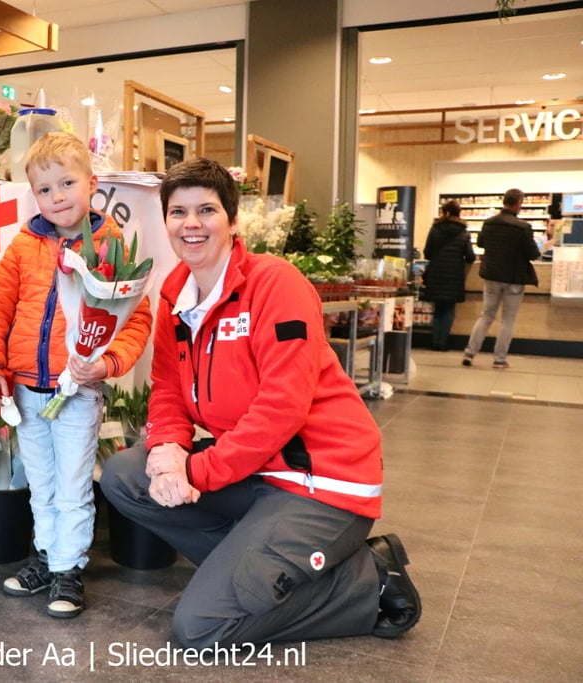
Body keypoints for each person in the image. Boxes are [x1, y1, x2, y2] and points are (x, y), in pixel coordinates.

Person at [100, 158, 421, 646]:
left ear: (232, 221)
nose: (191, 224)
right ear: (164, 221)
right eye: (178, 212)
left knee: (203, 626)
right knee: (127, 477)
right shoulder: (173, 294)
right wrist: (167, 452)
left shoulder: (275, 284)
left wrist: (194, 473)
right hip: (254, 472)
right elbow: (167, 387)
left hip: (321, 482)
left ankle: (366, 581)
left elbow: (281, 409)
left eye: (206, 210)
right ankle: (253, 568)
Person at [0, 132, 152, 619]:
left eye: (67, 183)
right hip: (27, 391)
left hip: (79, 392)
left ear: (92, 183)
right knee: (42, 482)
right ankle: (47, 557)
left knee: (73, 485)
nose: (57, 197)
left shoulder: (113, 246)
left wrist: (106, 363)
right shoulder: (23, 246)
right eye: (45, 189)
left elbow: (135, 318)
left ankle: (69, 567)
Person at [462, 188, 540, 369]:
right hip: (514, 279)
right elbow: (533, 254)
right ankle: (499, 359)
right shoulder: (523, 227)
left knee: (486, 315)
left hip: (491, 276)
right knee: (508, 319)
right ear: (518, 203)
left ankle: (470, 352)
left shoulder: (489, 223)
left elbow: (481, 243)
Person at [421, 200, 476, 351]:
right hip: (454, 276)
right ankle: (443, 343)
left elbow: (427, 253)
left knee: (438, 309)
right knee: (449, 310)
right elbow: (470, 256)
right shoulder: (464, 232)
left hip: (436, 274)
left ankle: (434, 342)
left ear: (446, 213)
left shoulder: (435, 229)